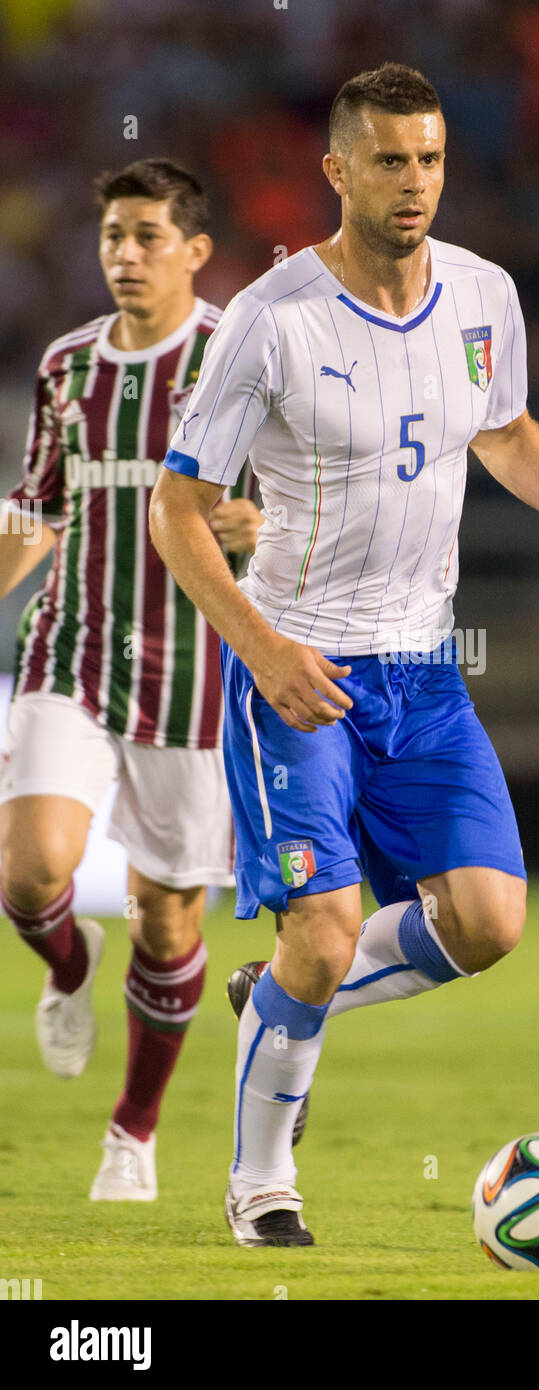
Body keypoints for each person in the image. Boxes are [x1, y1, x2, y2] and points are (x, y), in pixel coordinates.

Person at [149, 63, 539, 1248]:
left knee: (486, 922)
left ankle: (272, 1003)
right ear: (336, 171)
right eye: (387, 159)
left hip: (422, 670)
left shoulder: (481, 296)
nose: (412, 180)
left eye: (427, 158)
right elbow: (179, 508)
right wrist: (261, 652)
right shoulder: (274, 321)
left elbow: (504, 427)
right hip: (300, 665)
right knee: (322, 930)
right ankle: (261, 1180)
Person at [0, 158, 261, 1202]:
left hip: (196, 669)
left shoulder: (238, 364)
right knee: (27, 870)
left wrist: (263, 525)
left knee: (169, 918)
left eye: (148, 236)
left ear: (196, 252)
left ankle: (134, 1131)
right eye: (113, 235)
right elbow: (37, 509)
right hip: (71, 649)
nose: (125, 255)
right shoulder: (67, 368)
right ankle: (69, 965)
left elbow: (307, 503)